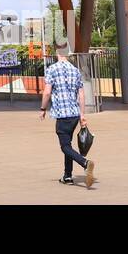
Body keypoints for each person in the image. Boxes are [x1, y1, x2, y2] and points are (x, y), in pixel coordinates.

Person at [40, 44, 95, 188]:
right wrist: (82, 114)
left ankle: (85, 163)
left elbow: (47, 92)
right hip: (74, 114)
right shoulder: (75, 70)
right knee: (68, 144)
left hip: (62, 114)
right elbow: (81, 94)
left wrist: (42, 108)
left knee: (65, 146)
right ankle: (68, 175)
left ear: (57, 53)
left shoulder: (51, 69)